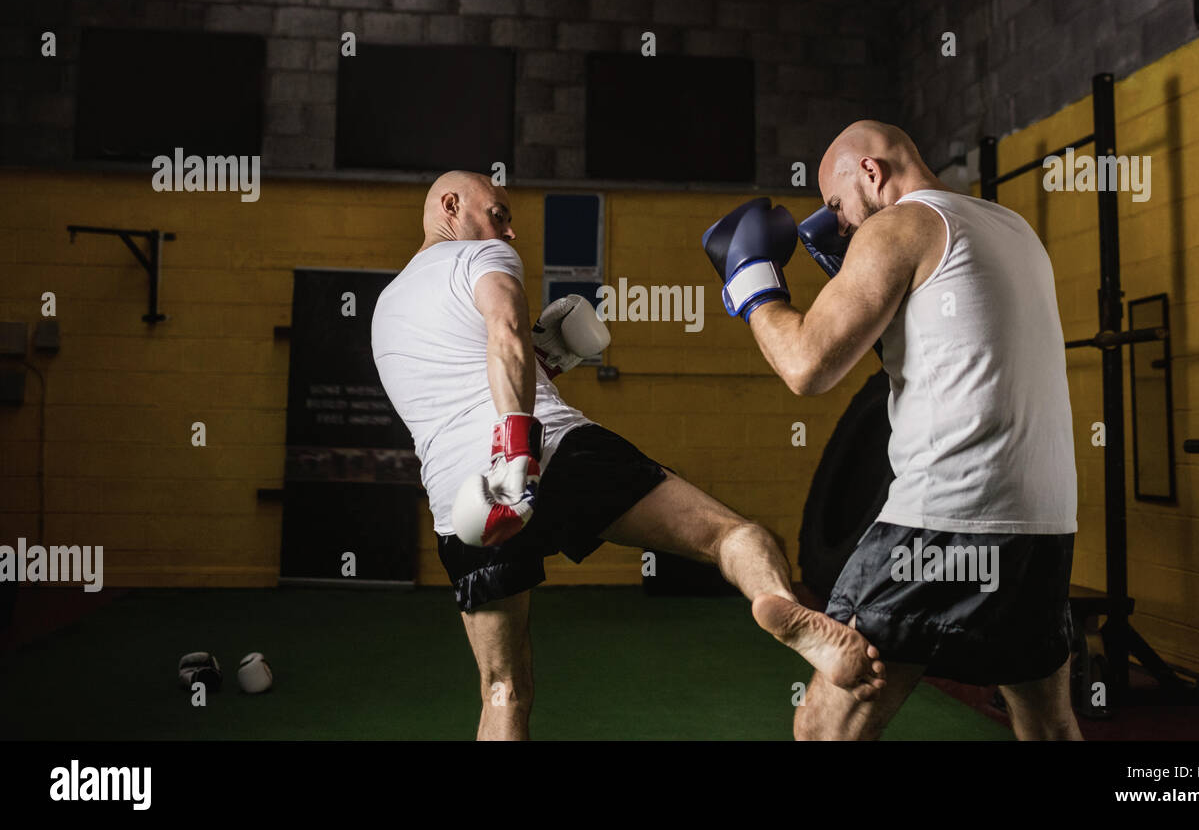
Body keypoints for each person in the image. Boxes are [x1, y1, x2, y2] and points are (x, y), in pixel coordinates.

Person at [371, 170, 883, 740]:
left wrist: (547, 360)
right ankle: (781, 607)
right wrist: (516, 450)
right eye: (499, 213)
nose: (509, 231)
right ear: (451, 205)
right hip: (551, 452)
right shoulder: (480, 257)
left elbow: (457, 382)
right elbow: (505, 333)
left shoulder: (386, 309)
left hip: (463, 505)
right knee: (730, 535)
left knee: (503, 691)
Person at [703, 121, 1082, 741]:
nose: (839, 223)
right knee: (1047, 725)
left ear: (871, 173)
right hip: (1041, 525)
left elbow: (806, 367)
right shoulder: (1012, 227)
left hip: (944, 519)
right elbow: (955, 355)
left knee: (825, 731)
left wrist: (752, 279)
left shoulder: (896, 226)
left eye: (835, 204)